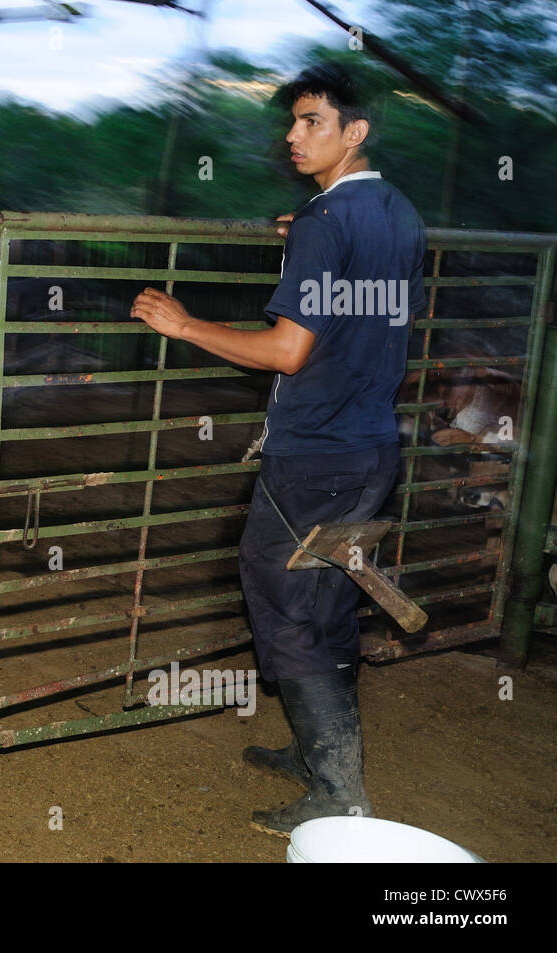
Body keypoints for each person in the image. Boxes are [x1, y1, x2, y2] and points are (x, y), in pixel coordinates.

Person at [129, 63, 426, 836]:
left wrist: (185, 325)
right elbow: (363, 291)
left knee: (286, 604)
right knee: (327, 599)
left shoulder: (327, 225)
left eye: (312, 122)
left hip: (316, 451)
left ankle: (338, 790)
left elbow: (288, 351)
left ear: (353, 132)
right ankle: (319, 752)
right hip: (370, 447)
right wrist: (309, 243)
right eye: (292, 123)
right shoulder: (395, 212)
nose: (293, 137)